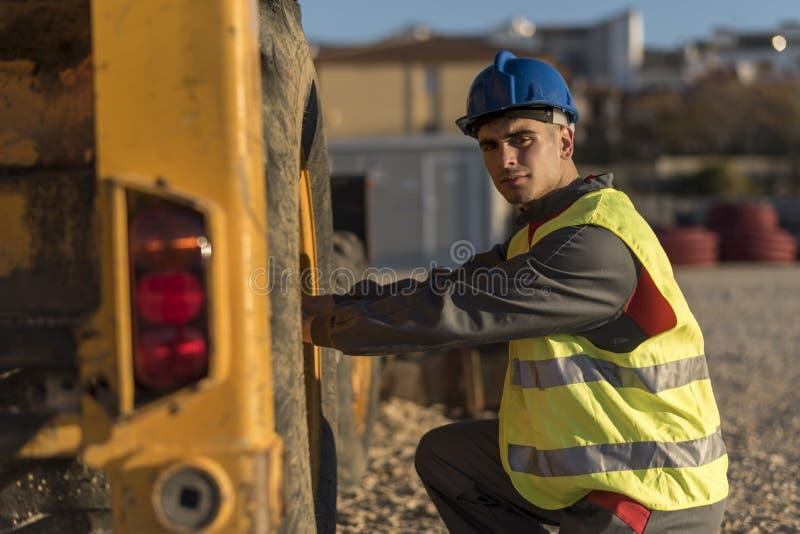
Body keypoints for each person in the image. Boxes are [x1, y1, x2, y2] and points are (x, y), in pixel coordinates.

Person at [302, 50, 728, 533]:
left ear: (565, 140)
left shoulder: (592, 243)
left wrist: (316, 328)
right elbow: (450, 286)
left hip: (653, 492)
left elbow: (459, 312)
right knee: (450, 457)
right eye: (488, 145)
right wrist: (337, 303)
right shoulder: (544, 230)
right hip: (597, 469)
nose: (504, 159)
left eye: (521, 139)